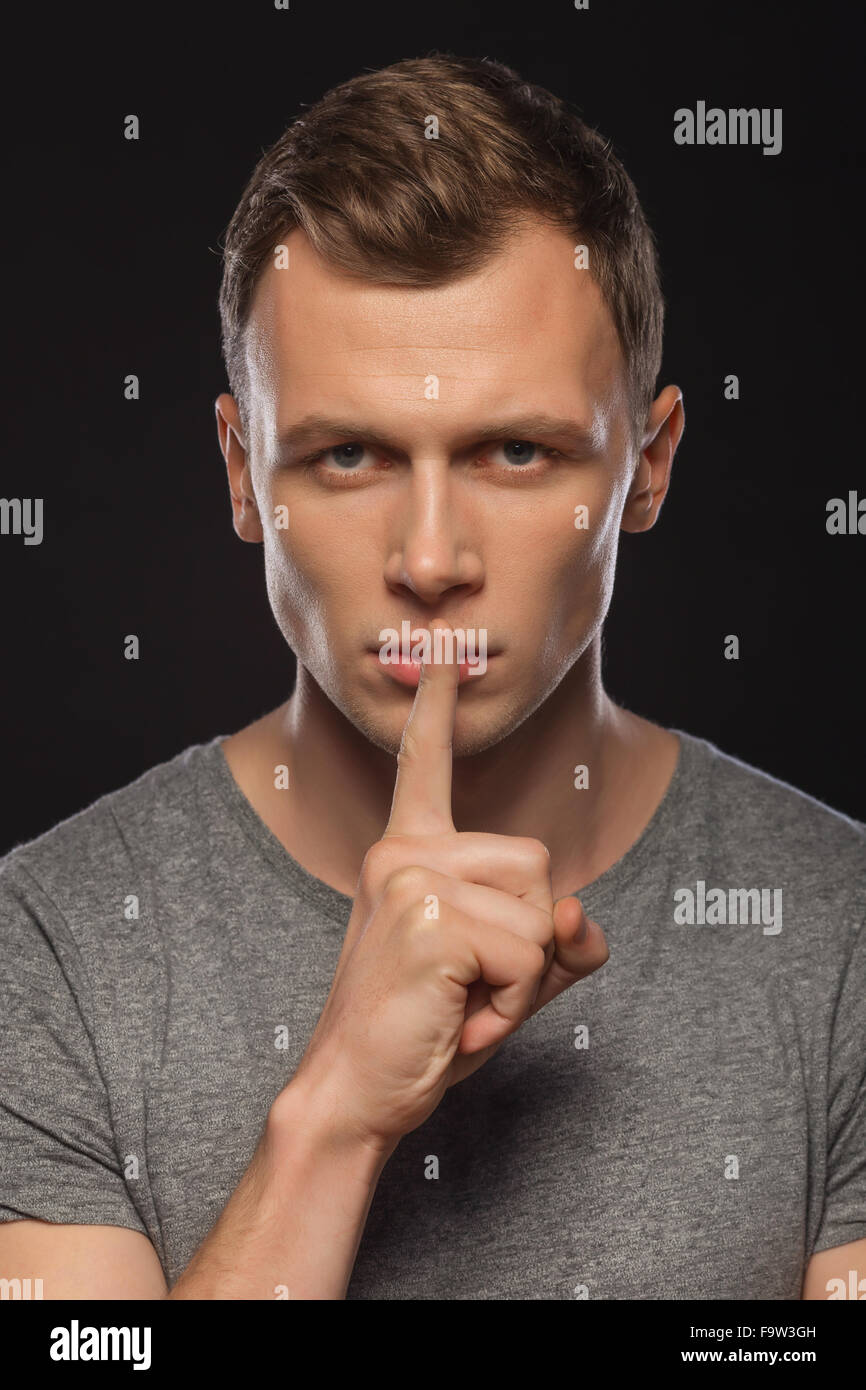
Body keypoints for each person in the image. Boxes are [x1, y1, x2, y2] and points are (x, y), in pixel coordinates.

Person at [1, 55, 863, 1301]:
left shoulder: (836, 937)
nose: (429, 561)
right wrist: (334, 1117)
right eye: (347, 454)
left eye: (516, 452)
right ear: (244, 476)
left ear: (651, 463)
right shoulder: (47, 951)